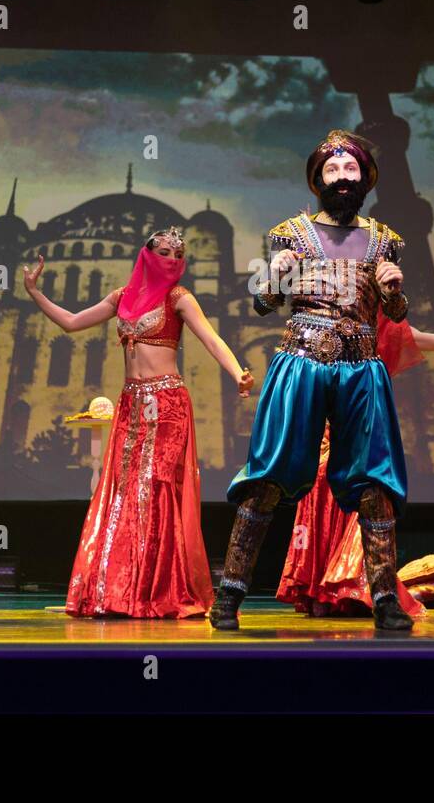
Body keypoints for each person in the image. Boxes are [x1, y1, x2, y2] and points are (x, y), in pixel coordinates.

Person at [209, 128, 414, 631]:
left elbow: (396, 312)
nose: (343, 179)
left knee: (373, 484)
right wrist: (273, 276)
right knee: (268, 478)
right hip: (300, 360)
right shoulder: (289, 233)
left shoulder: (386, 239)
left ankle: (385, 599)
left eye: (351, 171)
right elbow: (261, 303)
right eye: (332, 171)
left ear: (364, 178)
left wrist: (396, 292)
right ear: (317, 180)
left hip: (362, 366)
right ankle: (229, 597)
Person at [278, 217, 434, 617]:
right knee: (319, 507)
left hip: (359, 428)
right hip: (322, 436)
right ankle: (321, 589)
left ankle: (353, 584)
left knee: (360, 505)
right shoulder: (319, 323)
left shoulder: (387, 330)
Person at [23, 227, 254, 618]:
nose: (169, 258)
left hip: (166, 404)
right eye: (162, 251)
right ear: (145, 254)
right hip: (131, 404)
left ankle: (156, 589)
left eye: (176, 254)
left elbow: (211, 339)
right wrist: (34, 292)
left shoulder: (179, 298)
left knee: (157, 489)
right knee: (126, 493)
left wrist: (238, 374)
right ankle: (119, 589)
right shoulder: (122, 298)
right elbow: (72, 322)